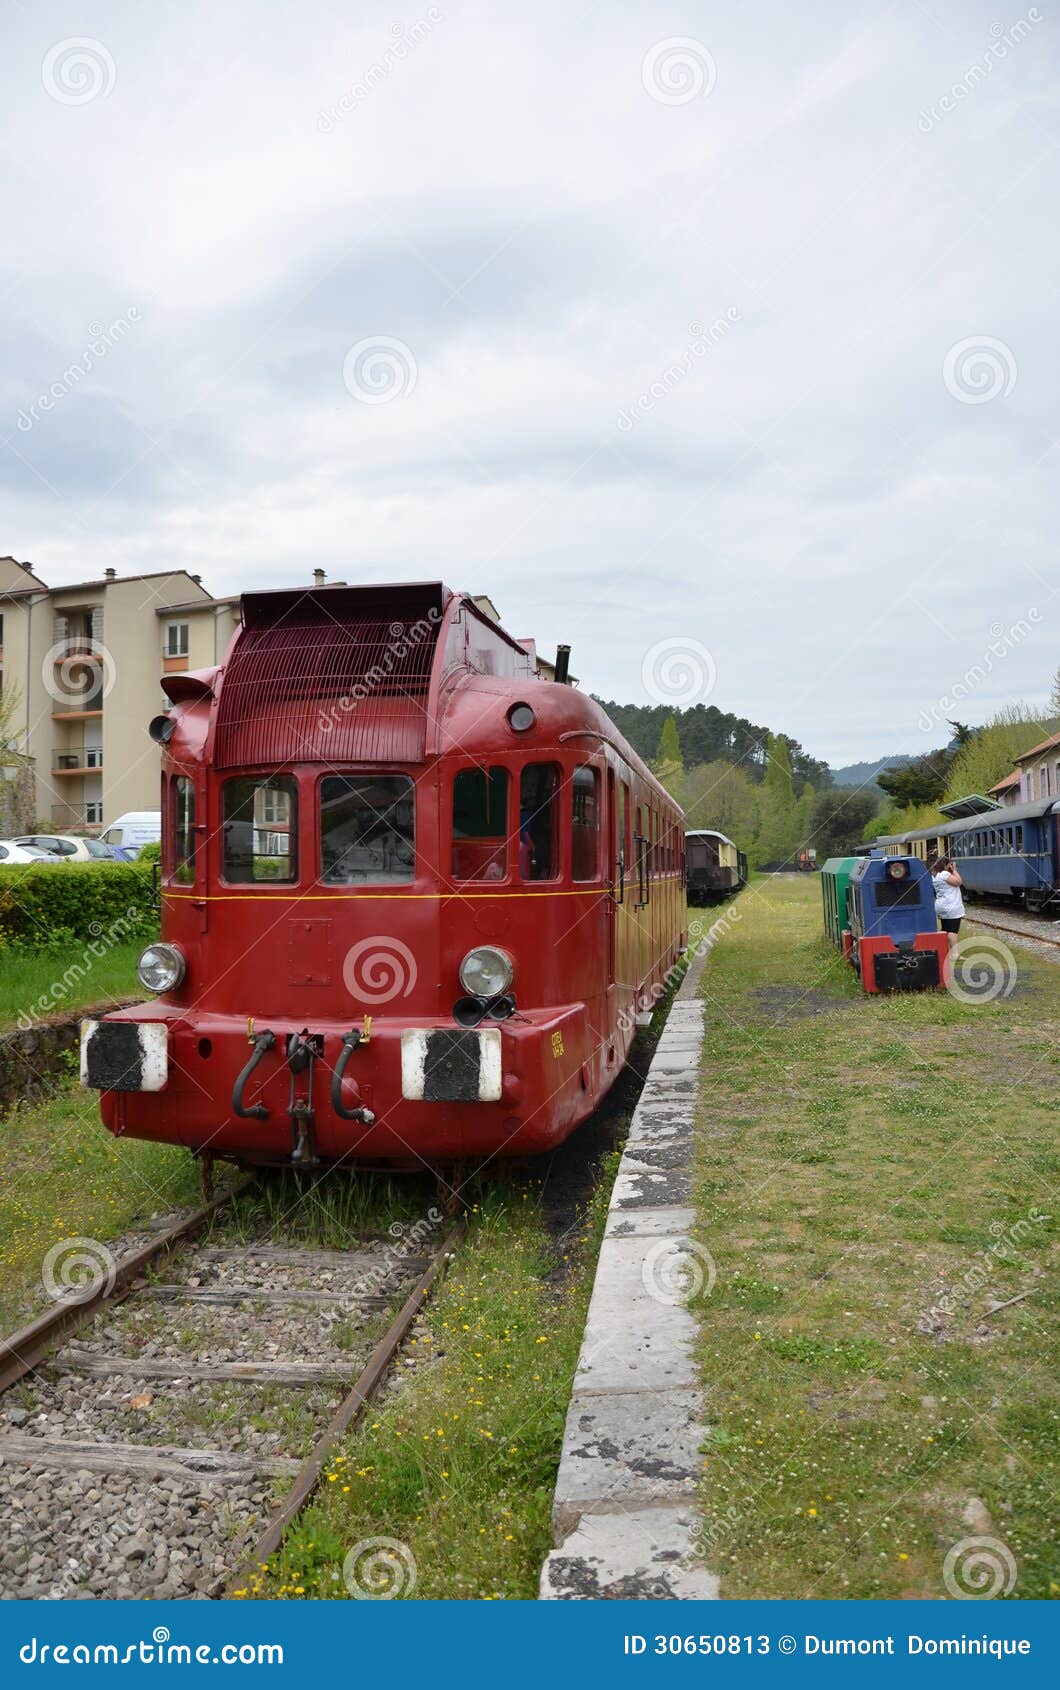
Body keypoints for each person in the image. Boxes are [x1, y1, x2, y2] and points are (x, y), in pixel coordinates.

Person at [931, 855, 964, 953]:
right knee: (953, 930)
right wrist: (954, 870)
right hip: (951, 905)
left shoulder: (935, 875)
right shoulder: (945, 874)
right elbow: (958, 882)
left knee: (944, 929)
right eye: (950, 864)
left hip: (941, 905)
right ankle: (955, 953)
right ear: (946, 865)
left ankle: (938, 950)